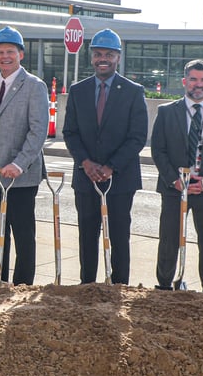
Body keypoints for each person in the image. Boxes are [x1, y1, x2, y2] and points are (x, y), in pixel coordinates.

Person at [61, 28, 148, 284]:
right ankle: (87, 287)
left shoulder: (133, 91)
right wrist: (86, 163)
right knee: (87, 236)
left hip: (120, 180)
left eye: (109, 54)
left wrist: (111, 166)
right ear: (91, 57)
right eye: (98, 54)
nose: (103, 59)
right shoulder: (79, 91)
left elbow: (137, 136)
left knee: (119, 236)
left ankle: (119, 286)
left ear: (118, 58)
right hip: (85, 179)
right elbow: (70, 132)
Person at [151, 58, 203, 292]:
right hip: (174, 188)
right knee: (169, 238)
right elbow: (158, 150)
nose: (198, 84)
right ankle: (165, 284)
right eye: (193, 79)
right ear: (184, 82)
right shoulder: (167, 112)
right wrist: (175, 181)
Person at [0, 27, 49, 285]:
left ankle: (22, 286)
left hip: (20, 176)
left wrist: (19, 163)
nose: (4, 57)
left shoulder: (34, 86)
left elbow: (38, 131)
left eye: (10, 52)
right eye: (0, 53)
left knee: (22, 236)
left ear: (21, 54)